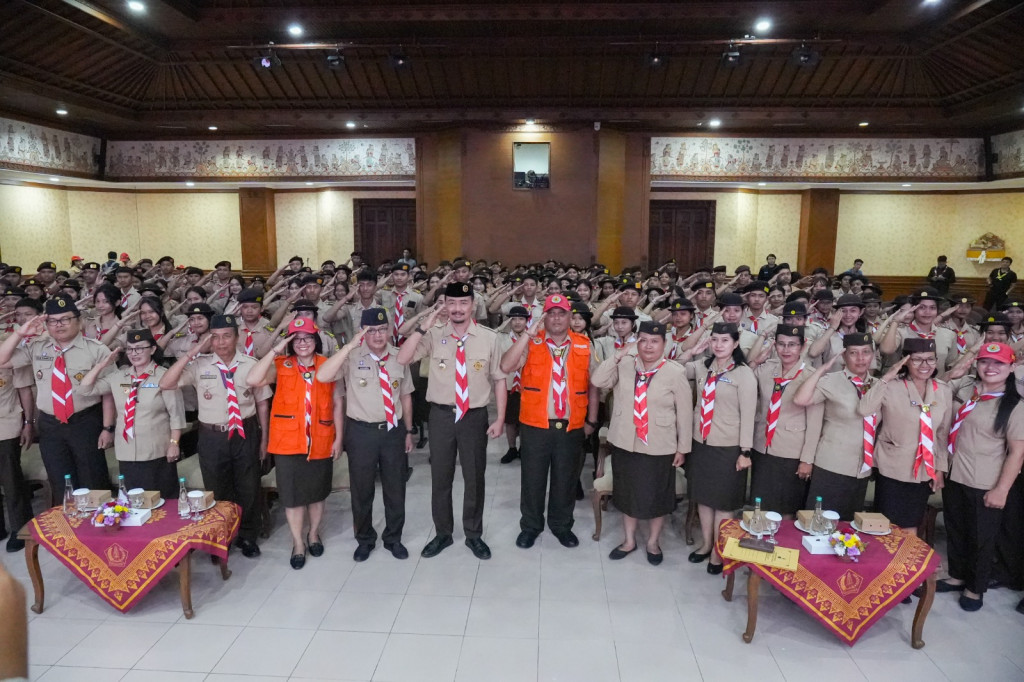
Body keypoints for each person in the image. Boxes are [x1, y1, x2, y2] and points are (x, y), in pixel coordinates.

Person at [397, 282, 506, 560]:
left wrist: (501, 418)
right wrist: (425, 323)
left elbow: (499, 380)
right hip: (442, 415)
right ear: (444, 305)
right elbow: (402, 357)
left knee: (474, 478)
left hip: (474, 416)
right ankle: (443, 533)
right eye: (451, 303)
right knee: (440, 478)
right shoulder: (434, 334)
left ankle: (473, 534)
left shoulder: (489, 337)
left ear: (473, 305)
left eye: (463, 303)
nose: (457, 309)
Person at [159, 314, 272, 558]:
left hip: (246, 431)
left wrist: (264, 439)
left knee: (248, 485)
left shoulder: (251, 363)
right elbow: (166, 383)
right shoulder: (200, 365)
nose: (221, 343)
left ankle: (248, 535)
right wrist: (192, 353)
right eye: (216, 337)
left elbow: (262, 403)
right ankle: (223, 537)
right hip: (212, 435)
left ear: (236, 337)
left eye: (226, 336)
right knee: (218, 487)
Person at [500, 294, 598, 549]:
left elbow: (594, 385)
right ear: (543, 317)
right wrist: (526, 335)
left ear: (569, 317)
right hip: (535, 425)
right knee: (532, 480)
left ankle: (561, 525)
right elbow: (506, 366)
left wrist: (592, 421)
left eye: (561, 313)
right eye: (550, 313)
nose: (556, 318)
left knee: (565, 480)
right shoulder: (531, 342)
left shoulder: (584, 344)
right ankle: (530, 526)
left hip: (571, 425)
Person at [0, 294, 117, 502]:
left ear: (79, 321)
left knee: (93, 480)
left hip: (85, 422)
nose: (58, 325)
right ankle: (68, 530)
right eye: (52, 321)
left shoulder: (96, 350)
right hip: (50, 426)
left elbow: (108, 393)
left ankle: (97, 529)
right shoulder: (38, 347)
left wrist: (107, 428)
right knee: (61, 482)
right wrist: (21, 334)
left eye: (65, 319)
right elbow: (2, 360)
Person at [318, 309, 415, 561]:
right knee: (362, 490)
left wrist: (408, 430)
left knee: (395, 488)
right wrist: (350, 345)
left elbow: (405, 396)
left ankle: (393, 538)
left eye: (382, 329)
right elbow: (323, 375)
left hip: (393, 430)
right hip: (360, 432)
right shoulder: (351, 357)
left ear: (389, 330)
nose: (378, 335)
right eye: (371, 330)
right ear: (363, 332)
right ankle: (364, 538)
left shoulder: (398, 357)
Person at [591, 321, 690, 565]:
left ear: (664, 345)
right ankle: (629, 540)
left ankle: (653, 542)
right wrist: (620, 354)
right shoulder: (625, 365)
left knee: (657, 496)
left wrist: (682, 448)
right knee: (627, 494)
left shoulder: (675, 372)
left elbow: (686, 414)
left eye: (654, 341)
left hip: (660, 444)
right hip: (626, 441)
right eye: (643, 340)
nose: (648, 346)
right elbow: (598, 380)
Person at [248, 318, 342, 569]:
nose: (302, 343)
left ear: (316, 340)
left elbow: (337, 402)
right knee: (292, 497)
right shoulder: (281, 364)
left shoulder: (326, 364)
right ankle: (298, 543)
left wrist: (339, 439)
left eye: (308, 338)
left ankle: (313, 535)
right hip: (287, 442)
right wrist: (276, 349)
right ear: (290, 342)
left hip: (321, 439)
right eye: (296, 338)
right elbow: (253, 379)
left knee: (317, 493)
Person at [940, 342, 1024, 612]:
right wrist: (955, 372)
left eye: (999, 363)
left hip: (984, 481)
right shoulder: (967, 390)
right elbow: (937, 389)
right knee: (956, 529)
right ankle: (957, 575)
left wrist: (1002, 490)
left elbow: (1017, 453)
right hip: (955, 474)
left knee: (981, 537)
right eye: (985, 361)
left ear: (1011, 368)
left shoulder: (1014, 405)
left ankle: (975, 588)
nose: (990, 368)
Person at [682, 322, 756, 573]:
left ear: (735, 343)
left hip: (729, 447)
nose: (718, 345)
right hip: (701, 443)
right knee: (703, 497)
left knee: (723, 503)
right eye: (714, 340)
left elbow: (748, 416)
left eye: (724, 340)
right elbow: (673, 369)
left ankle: (718, 551)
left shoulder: (744, 374)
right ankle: (705, 544)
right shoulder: (703, 367)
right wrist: (692, 352)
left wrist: (745, 452)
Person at [858, 338, 952, 533]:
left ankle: (906, 563)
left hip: (924, 470)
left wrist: (940, 468)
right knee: (884, 526)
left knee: (911, 526)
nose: (924, 365)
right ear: (905, 361)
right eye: (917, 359)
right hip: (892, 466)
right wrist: (887, 377)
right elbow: (864, 409)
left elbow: (942, 434)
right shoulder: (891, 386)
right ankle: (885, 563)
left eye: (930, 360)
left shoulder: (942, 390)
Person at [79, 329, 186, 499]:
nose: (134, 353)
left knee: (163, 504)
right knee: (133, 504)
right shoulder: (118, 377)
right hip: (127, 452)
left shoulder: (164, 377)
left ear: (152, 349)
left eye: (140, 348)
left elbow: (177, 415)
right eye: (130, 349)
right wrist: (103, 364)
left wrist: (174, 443)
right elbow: (85, 389)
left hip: (157, 452)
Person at [792, 332, 877, 520]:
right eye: (854, 353)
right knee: (818, 523)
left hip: (861, 469)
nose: (861, 358)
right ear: (844, 356)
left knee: (847, 527)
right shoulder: (832, 381)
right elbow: (800, 399)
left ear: (873, 356)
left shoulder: (879, 386)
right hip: (831, 465)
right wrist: (822, 370)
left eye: (866, 352)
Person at [748, 324, 821, 517]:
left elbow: (815, 424)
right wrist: (756, 361)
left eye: (792, 345)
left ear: (803, 347)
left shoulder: (811, 377)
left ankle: (784, 545)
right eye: (781, 344)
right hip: (762, 446)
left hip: (791, 452)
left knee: (786, 507)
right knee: (760, 504)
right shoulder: (766, 369)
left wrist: (807, 460)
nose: (786, 350)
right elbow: (744, 380)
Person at [0, 343, 34, 553]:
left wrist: (28, 423)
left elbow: (25, 392)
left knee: (10, 479)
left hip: (5, 424)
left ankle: (20, 528)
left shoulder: (10, 354)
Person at [497, 306, 530, 463]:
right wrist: (504, 324)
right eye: (514, 319)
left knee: (526, 420)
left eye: (521, 319)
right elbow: (493, 334)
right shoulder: (502, 338)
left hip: (528, 386)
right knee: (510, 420)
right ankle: (511, 448)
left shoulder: (532, 338)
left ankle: (525, 448)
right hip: (509, 385)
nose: (517, 322)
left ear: (527, 321)